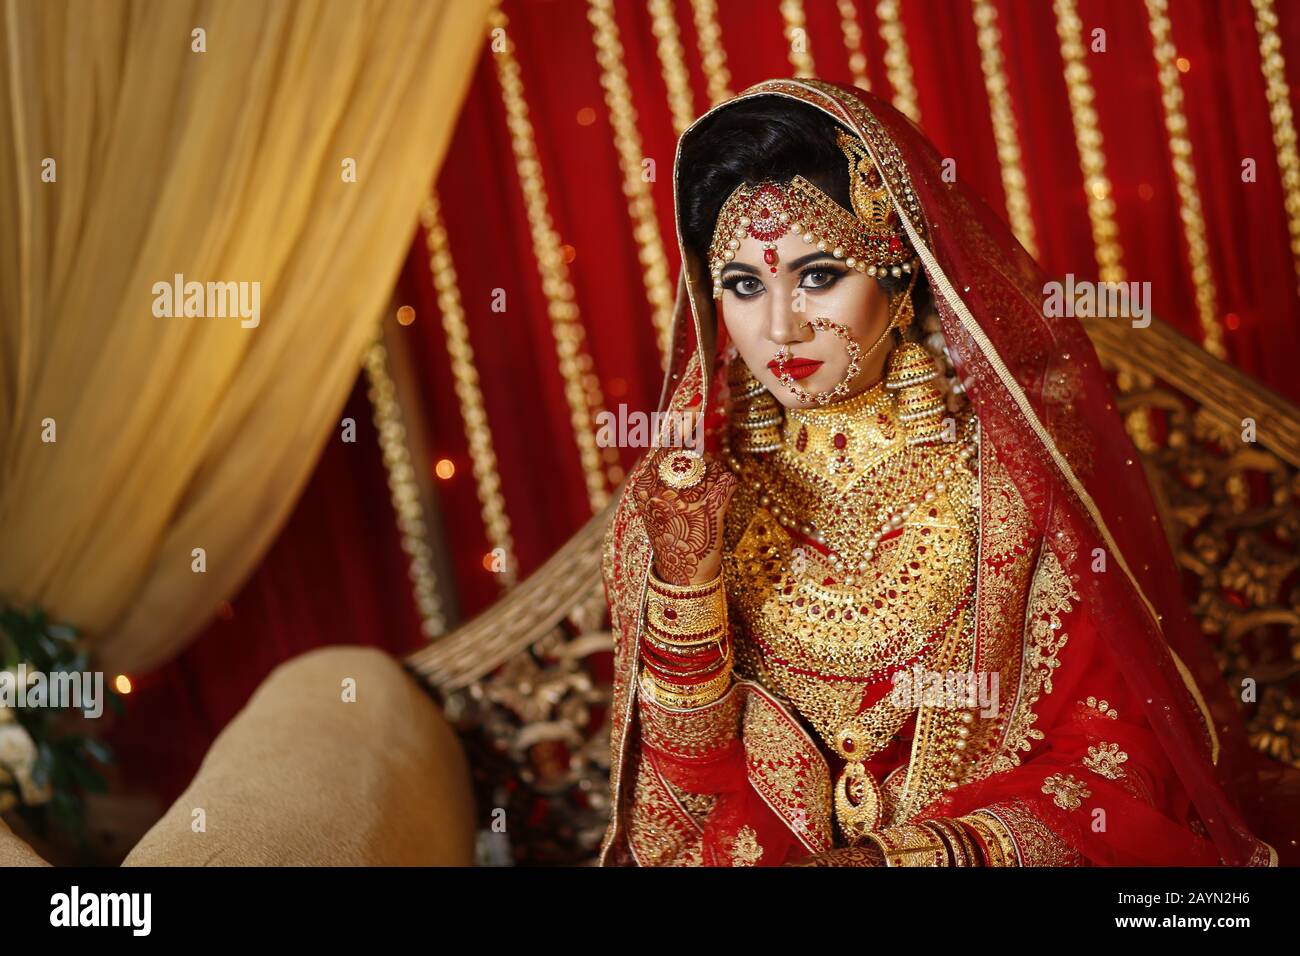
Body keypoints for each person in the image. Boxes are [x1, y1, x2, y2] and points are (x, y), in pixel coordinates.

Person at [598, 78, 1278, 866]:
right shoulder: (684, 503)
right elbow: (688, 786)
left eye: (819, 276)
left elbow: (1116, 757)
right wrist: (688, 583)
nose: (779, 325)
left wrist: (912, 858)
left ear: (900, 277)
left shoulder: (1016, 488)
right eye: (745, 286)